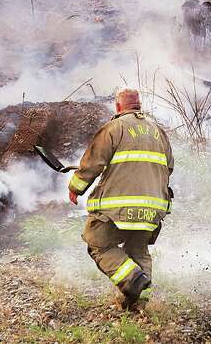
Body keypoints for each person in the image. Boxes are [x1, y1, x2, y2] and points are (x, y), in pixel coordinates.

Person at [68, 88, 175, 310]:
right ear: (139, 105)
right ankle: (139, 303)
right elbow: (169, 167)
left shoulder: (114, 128)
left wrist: (75, 188)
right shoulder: (158, 131)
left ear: (118, 107)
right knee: (138, 251)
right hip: (153, 207)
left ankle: (133, 280)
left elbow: (93, 162)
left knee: (98, 244)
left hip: (117, 209)